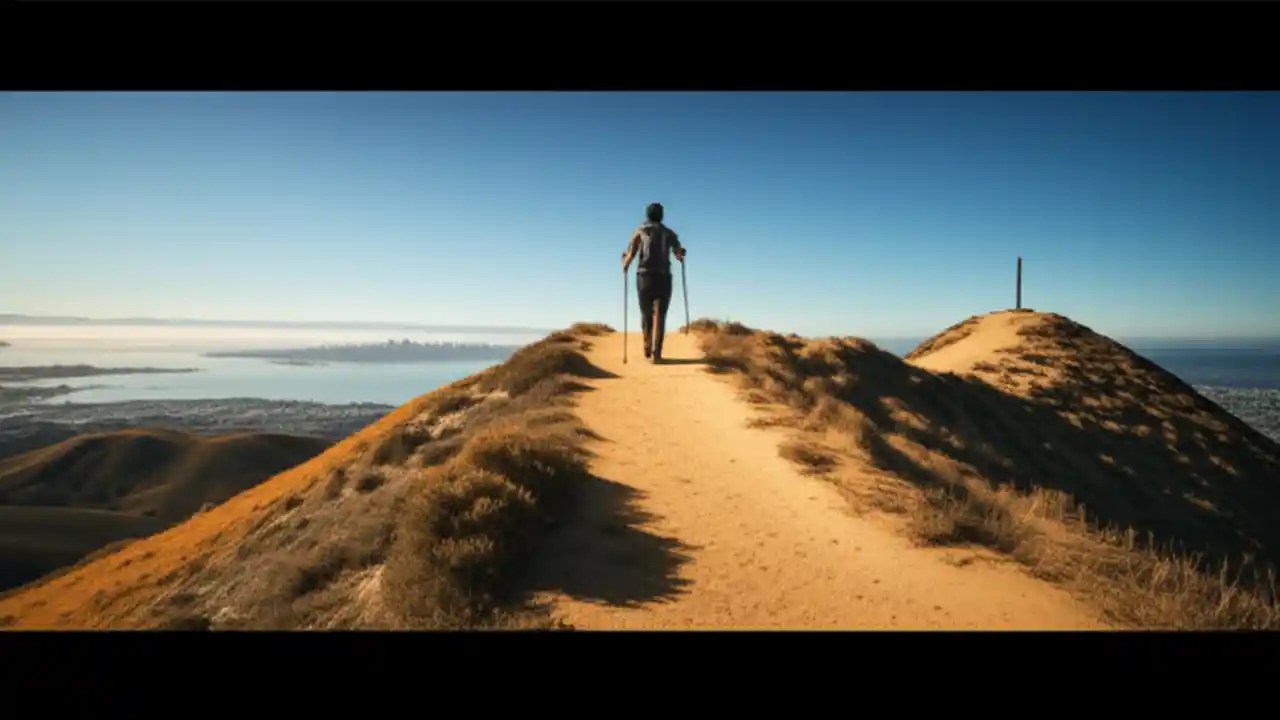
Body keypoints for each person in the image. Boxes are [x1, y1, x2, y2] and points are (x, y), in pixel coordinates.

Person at [621, 202, 686, 363]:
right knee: (660, 314)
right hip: (664, 277)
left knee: (646, 313)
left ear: (647, 215)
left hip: (644, 277)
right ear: (661, 216)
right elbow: (679, 254)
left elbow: (631, 254)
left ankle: (647, 346)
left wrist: (625, 264)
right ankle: (657, 353)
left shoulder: (640, 231)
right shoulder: (669, 233)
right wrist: (680, 255)